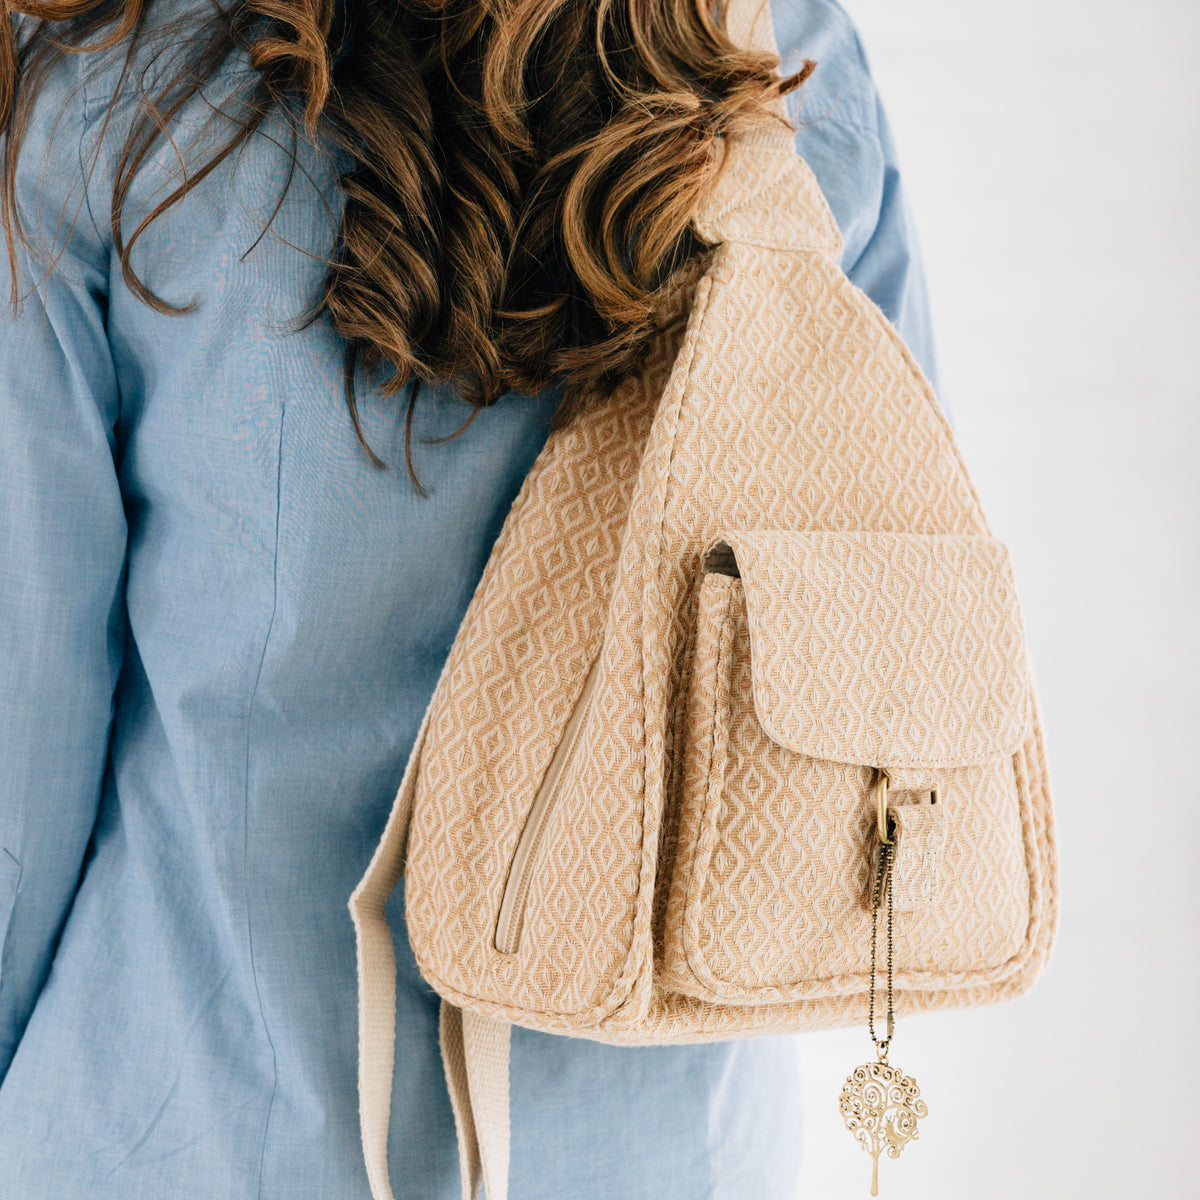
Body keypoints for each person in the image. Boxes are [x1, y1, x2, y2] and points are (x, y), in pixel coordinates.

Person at [0, 0, 947, 1194]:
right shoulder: (782, 47)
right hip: (673, 1151)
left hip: (184, 1129)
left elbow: (16, 759)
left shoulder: (116, 86)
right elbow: (890, 610)